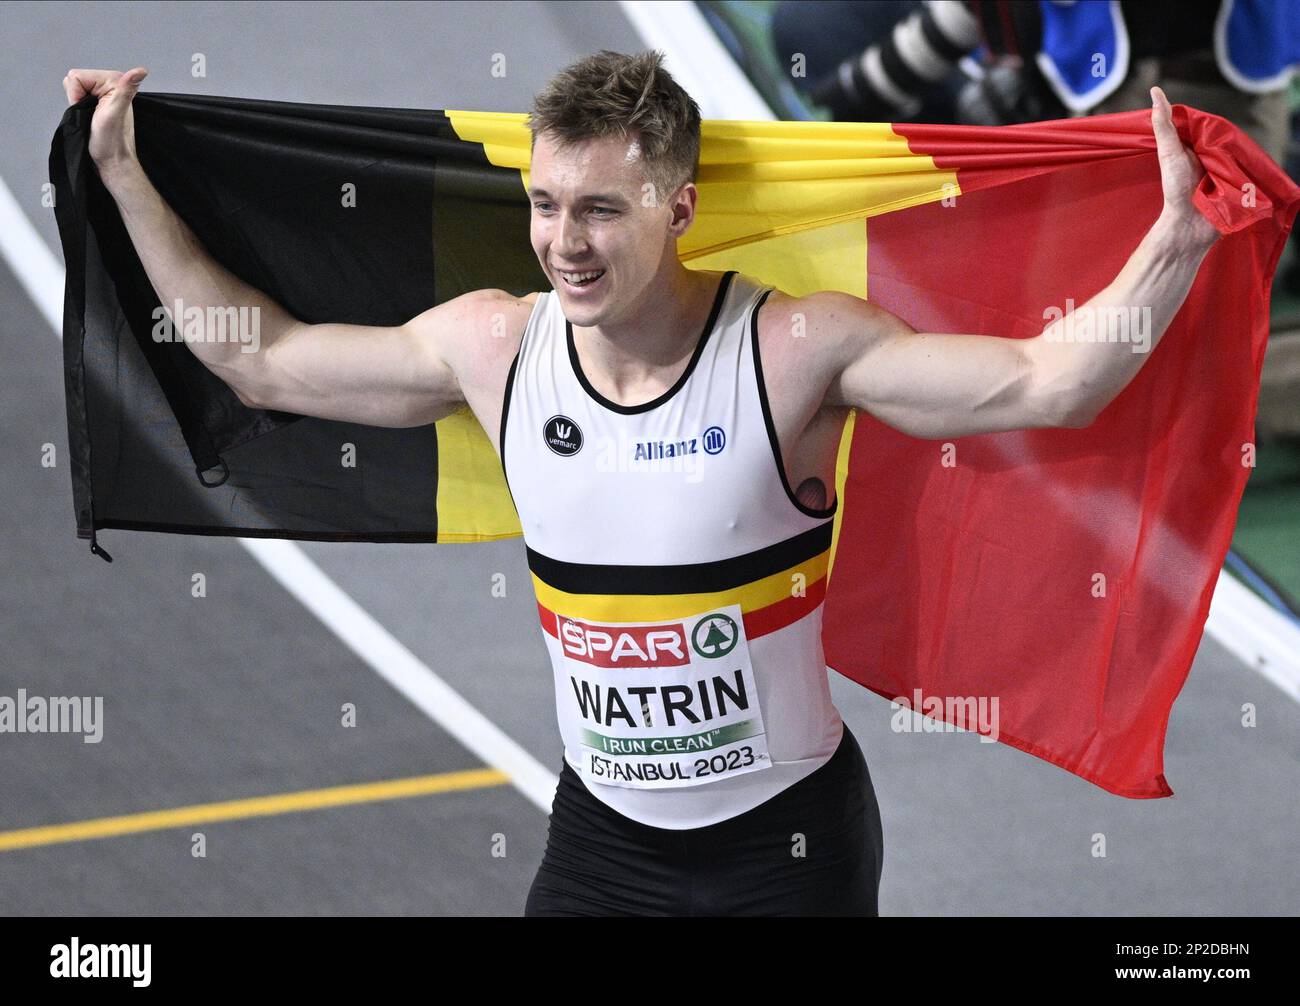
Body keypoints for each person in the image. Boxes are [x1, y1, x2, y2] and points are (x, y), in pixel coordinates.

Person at [63, 48, 1220, 916]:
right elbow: (255, 357)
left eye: (601, 210)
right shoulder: (497, 347)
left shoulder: (794, 351)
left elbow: (1045, 383)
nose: (564, 242)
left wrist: (1173, 240)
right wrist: (120, 175)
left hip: (788, 850)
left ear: (680, 208)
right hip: (603, 848)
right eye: (546, 203)